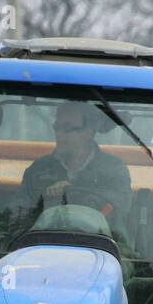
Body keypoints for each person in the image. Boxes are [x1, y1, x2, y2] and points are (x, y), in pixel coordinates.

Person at [20, 102, 132, 240]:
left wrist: (73, 192)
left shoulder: (113, 169)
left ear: (89, 132)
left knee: (126, 260)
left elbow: (122, 207)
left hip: (105, 245)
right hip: (46, 246)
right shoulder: (38, 169)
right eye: (57, 127)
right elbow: (17, 215)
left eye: (68, 128)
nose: (60, 134)